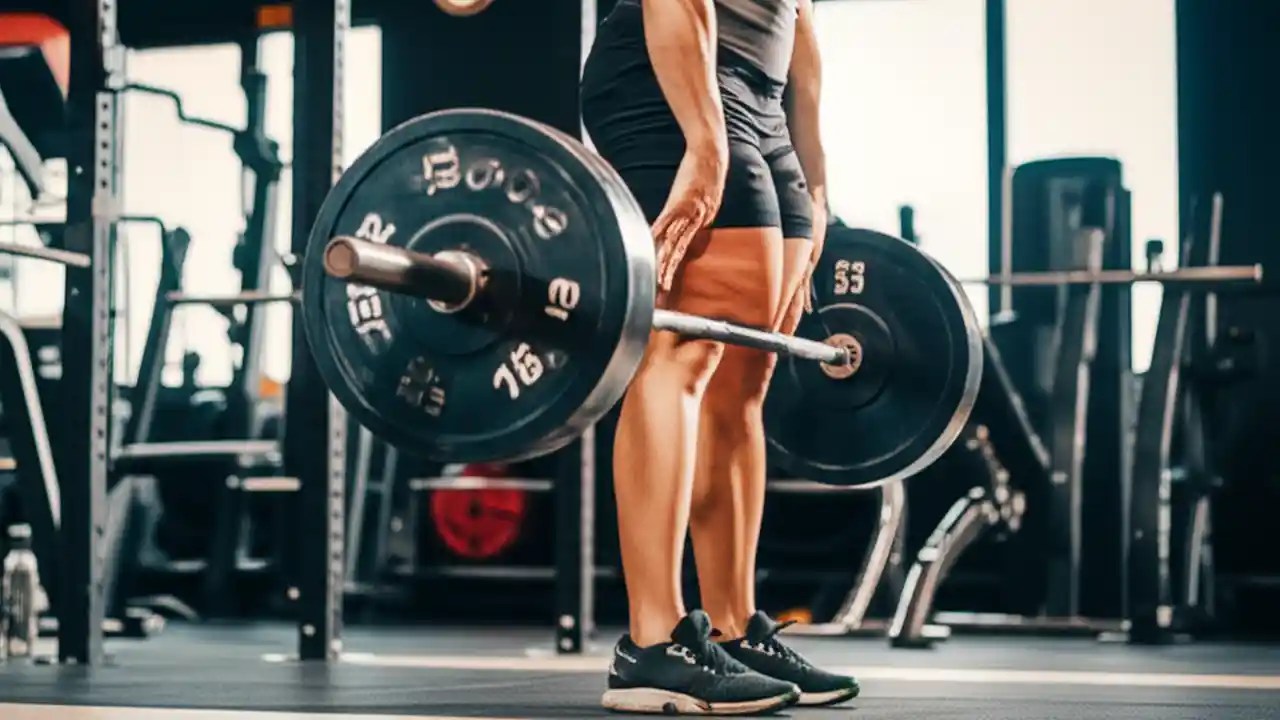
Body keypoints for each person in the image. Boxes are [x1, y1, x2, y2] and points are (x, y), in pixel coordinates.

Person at [581, 0, 859, 714]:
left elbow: (796, 14)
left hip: (762, 87)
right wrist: (704, 147)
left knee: (744, 381)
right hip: (671, 70)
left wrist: (817, 183)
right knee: (680, 352)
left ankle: (732, 630)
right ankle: (652, 642)